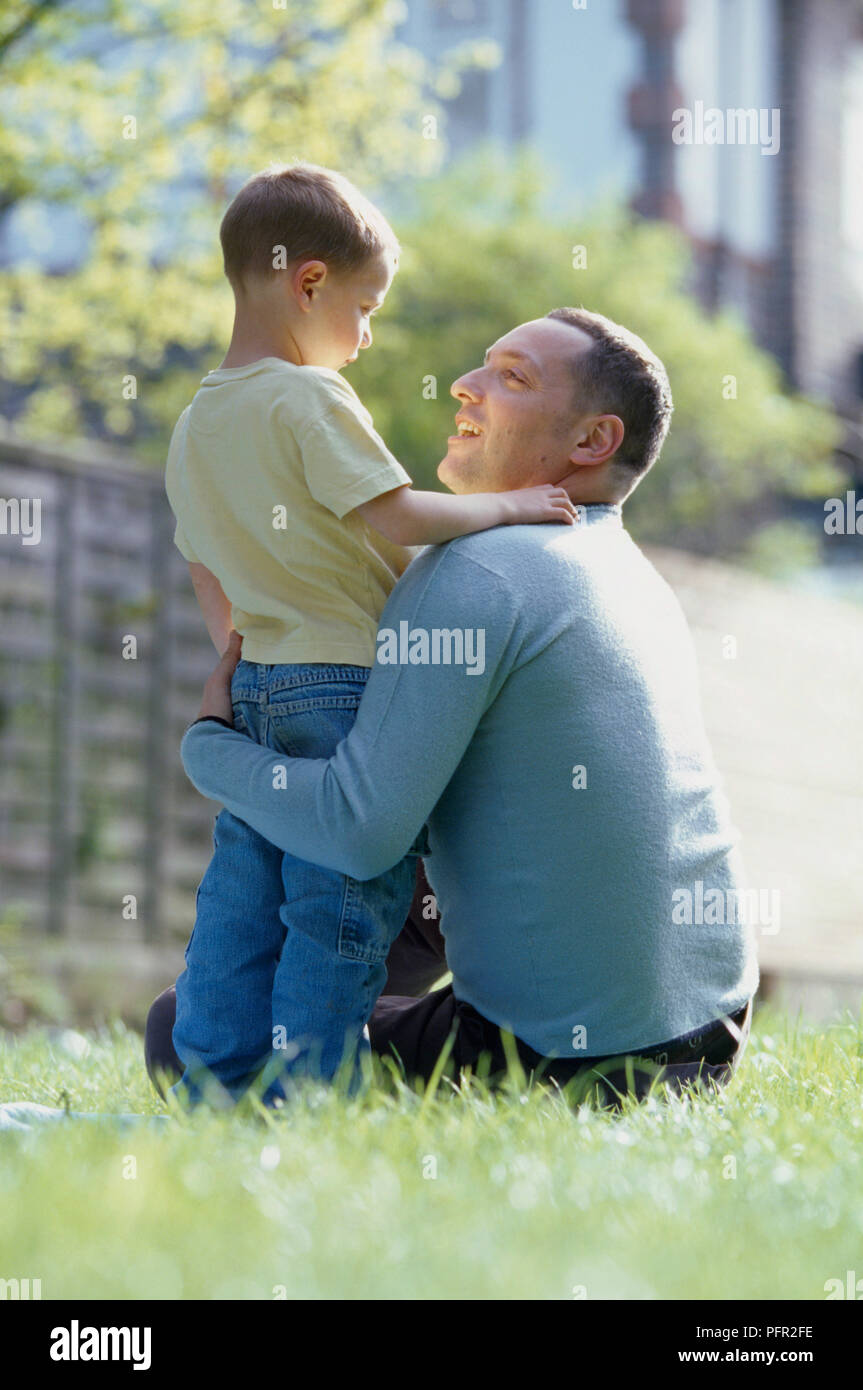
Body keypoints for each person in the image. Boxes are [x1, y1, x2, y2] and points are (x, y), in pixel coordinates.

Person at [148, 307, 758, 1108]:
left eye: (510, 378)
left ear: (591, 442)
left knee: (185, 1026)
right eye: (481, 365)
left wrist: (210, 749)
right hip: (708, 1028)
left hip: (573, 1064)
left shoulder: (476, 571)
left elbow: (359, 832)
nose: (464, 388)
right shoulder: (621, 569)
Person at [164, 162, 576, 1106]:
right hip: (343, 688)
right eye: (366, 306)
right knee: (337, 905)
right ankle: (310, 1101)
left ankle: (216, 1087)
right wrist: (510, 505)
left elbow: (205, 567)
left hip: (258, 688)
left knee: (240, 902)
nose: (367, 332)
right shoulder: (308, 399)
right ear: (308, 283)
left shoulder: (196, 423)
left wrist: (232, 657)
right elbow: (392, 515)